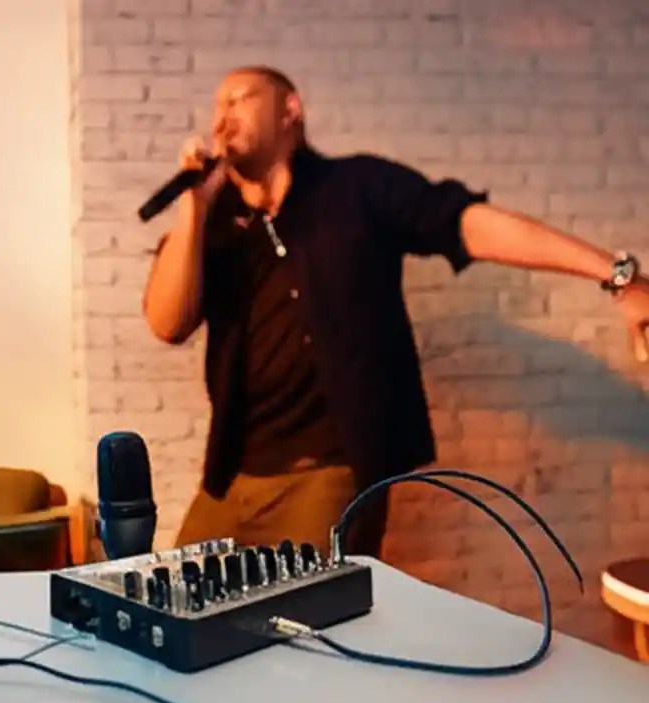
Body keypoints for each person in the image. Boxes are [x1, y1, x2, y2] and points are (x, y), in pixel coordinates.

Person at [143, 66, 649, 558]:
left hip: (328, 474)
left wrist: (616, 274)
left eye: (239, 99)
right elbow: (168, 323)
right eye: (216, 106)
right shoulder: (213, 226)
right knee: (180, 617)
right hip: (229, 476)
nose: (221, 118)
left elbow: (470, 224)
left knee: (307, 630)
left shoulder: (357, 187)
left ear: (289, 110)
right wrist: (195, 207)